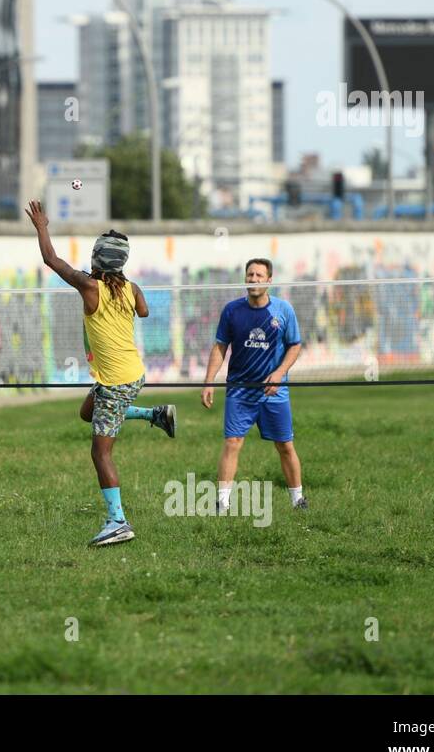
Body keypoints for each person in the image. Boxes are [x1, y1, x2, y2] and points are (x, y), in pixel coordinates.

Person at [26, 201, 175, 547]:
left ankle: (118, 521)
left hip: (116, 382)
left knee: (100, 452)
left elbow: (52, 260)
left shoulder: (90, 288)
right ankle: (156, 414)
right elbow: (145, 311)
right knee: (86, 413)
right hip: (132, 374)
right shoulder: (131, 288)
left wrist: (42, 227)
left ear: (96, 259)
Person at [200, 258, 308, 513]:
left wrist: (280, 373)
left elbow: (295, 345)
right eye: (250, 275)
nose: (254, 279)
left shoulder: (283, 310)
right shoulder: (232, 311)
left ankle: (298, 499)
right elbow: (220, 347)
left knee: (285, 446)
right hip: (240, 390)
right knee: (232, 443)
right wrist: (208, 381)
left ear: (269, 280)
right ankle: (222, 503)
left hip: (274, 392)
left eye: (260, 275)